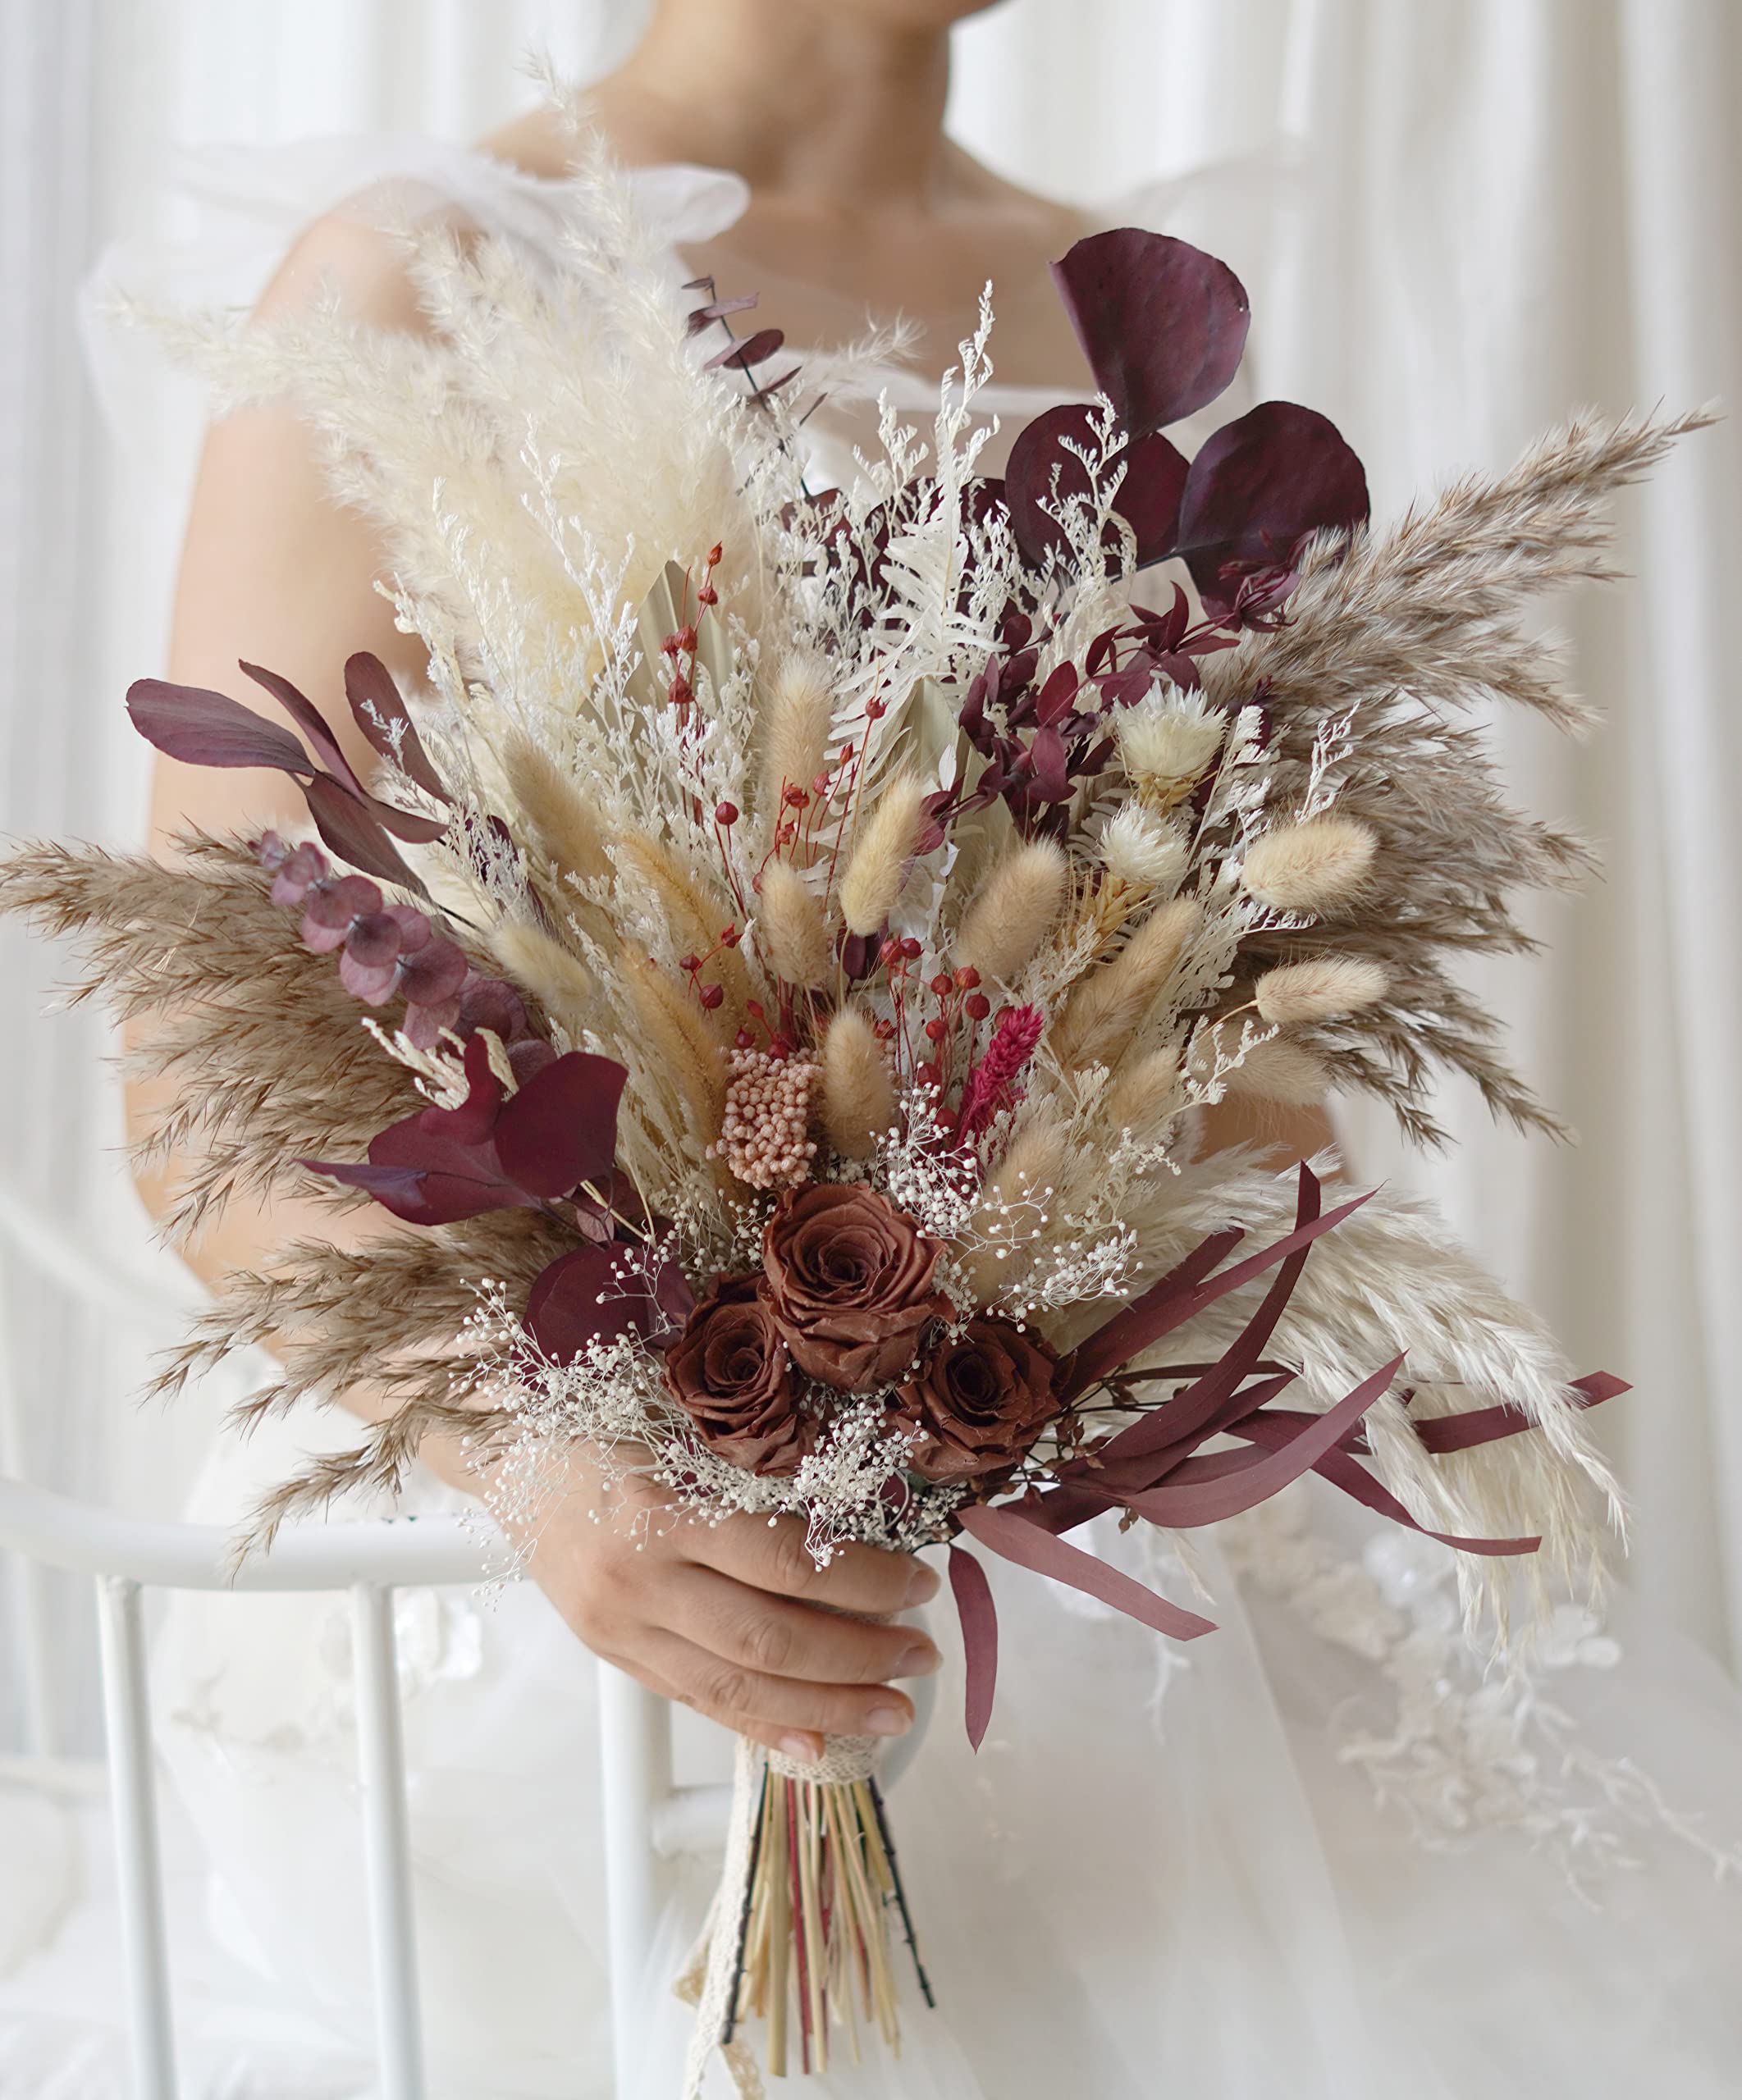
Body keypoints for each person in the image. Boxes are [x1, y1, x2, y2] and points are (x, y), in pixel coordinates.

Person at [34, 2, 1742, 2094]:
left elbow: (1240, 1060)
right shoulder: (418, 276)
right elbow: (209, 1100)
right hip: (570, 1545)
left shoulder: (1121, 308)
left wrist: (1044, 1336)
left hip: (1053, 1474)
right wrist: (555, 1445)